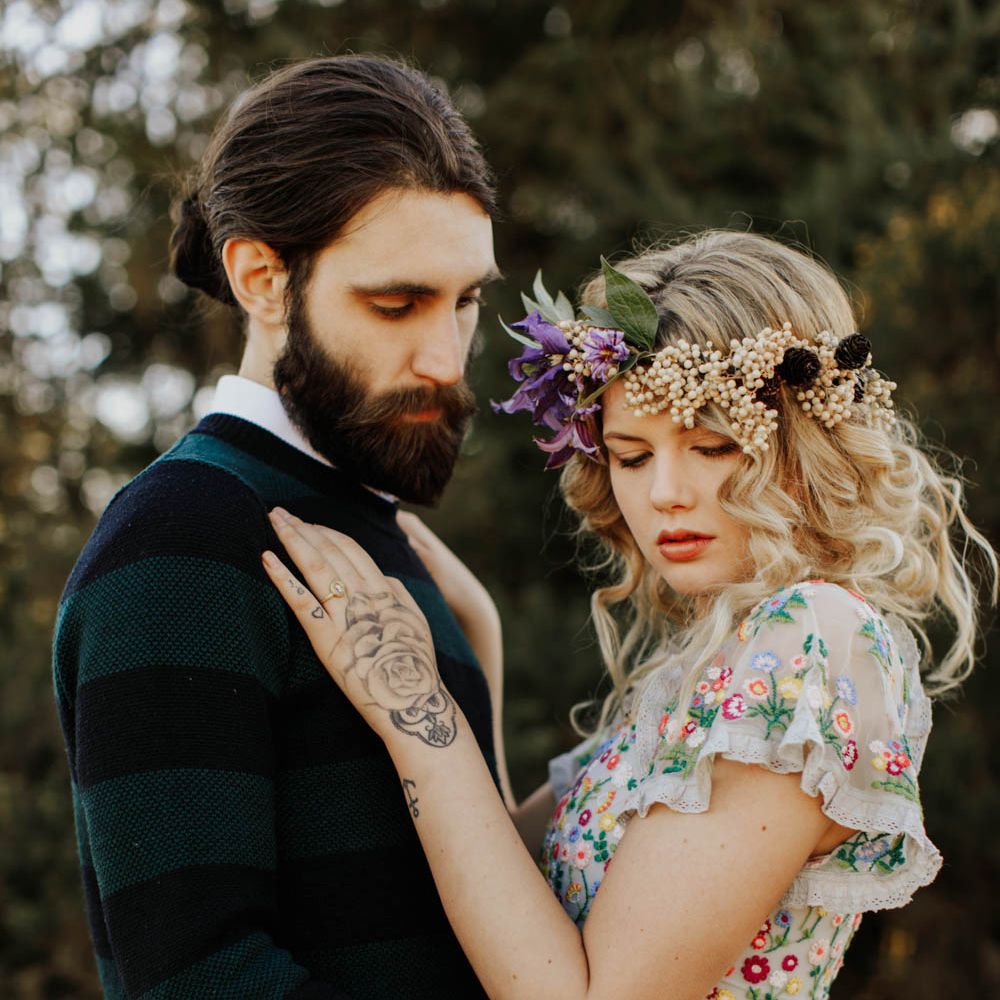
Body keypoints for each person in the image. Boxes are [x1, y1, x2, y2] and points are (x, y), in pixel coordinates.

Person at [262, 230, 997, 999]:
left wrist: (415, 709)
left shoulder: (810, 637)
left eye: (710, 445)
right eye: (632, 455)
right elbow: (513, 887)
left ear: (802, 440)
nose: (664, 493)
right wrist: (476, 635)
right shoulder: (723, 657)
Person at [52, 54, 508, 999]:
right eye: (397, 303)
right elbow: (199, 979)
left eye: (466, 301)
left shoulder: (368, 520)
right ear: (263, 277)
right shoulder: (182, 538)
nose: (443, 356)